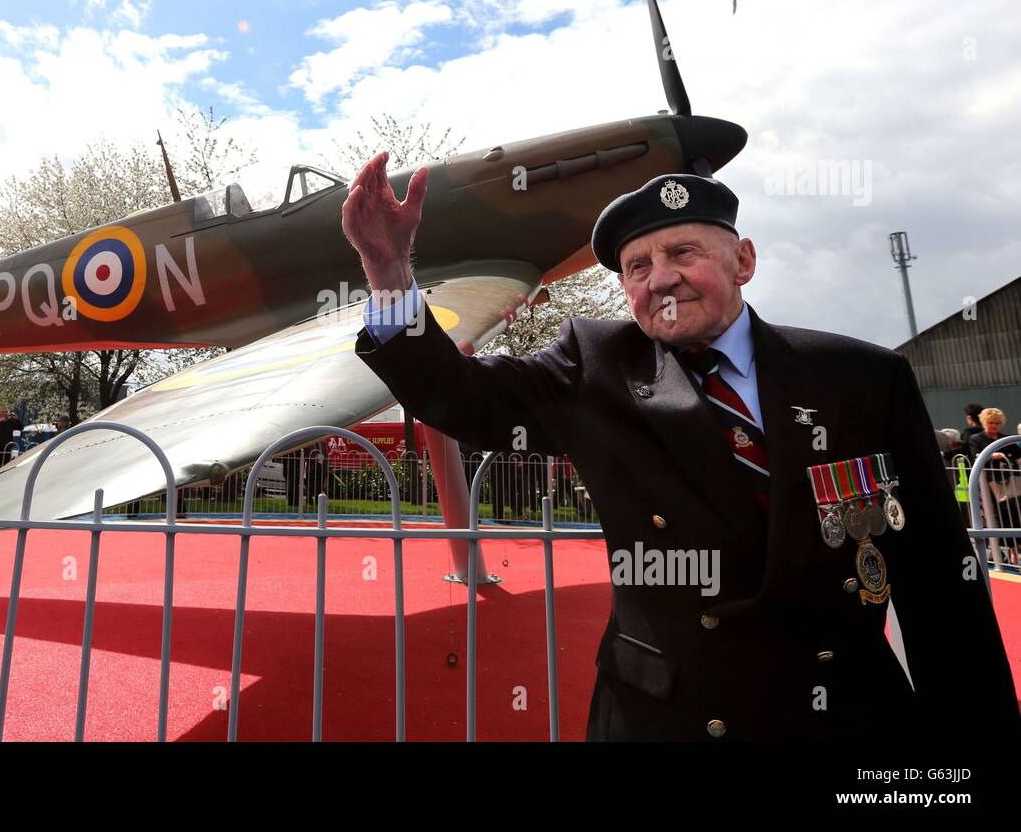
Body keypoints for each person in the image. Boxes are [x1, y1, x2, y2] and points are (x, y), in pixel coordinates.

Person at [342, 153, 1019, 741]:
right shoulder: (594, 366)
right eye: (637, 266)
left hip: (843, 715)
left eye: (682, 253)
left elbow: (940, 590)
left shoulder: (863, 378)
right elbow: (456, 395)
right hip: (670, 717)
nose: (659, 278)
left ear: (743, 260)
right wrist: (389, 269)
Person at [968, 408, 1021, 566]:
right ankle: (1012, 552)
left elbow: (1018, 457)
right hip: (990, 484)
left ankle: (1016, 549)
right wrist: (991, 455)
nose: (994, 426)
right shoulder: (976, 439)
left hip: (1012, 482)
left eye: (997, 423)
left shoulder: (1005, 439)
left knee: (1015, 513)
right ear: (984, 422)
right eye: (991, 423)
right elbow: (974, 456)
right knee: (1002, 516)